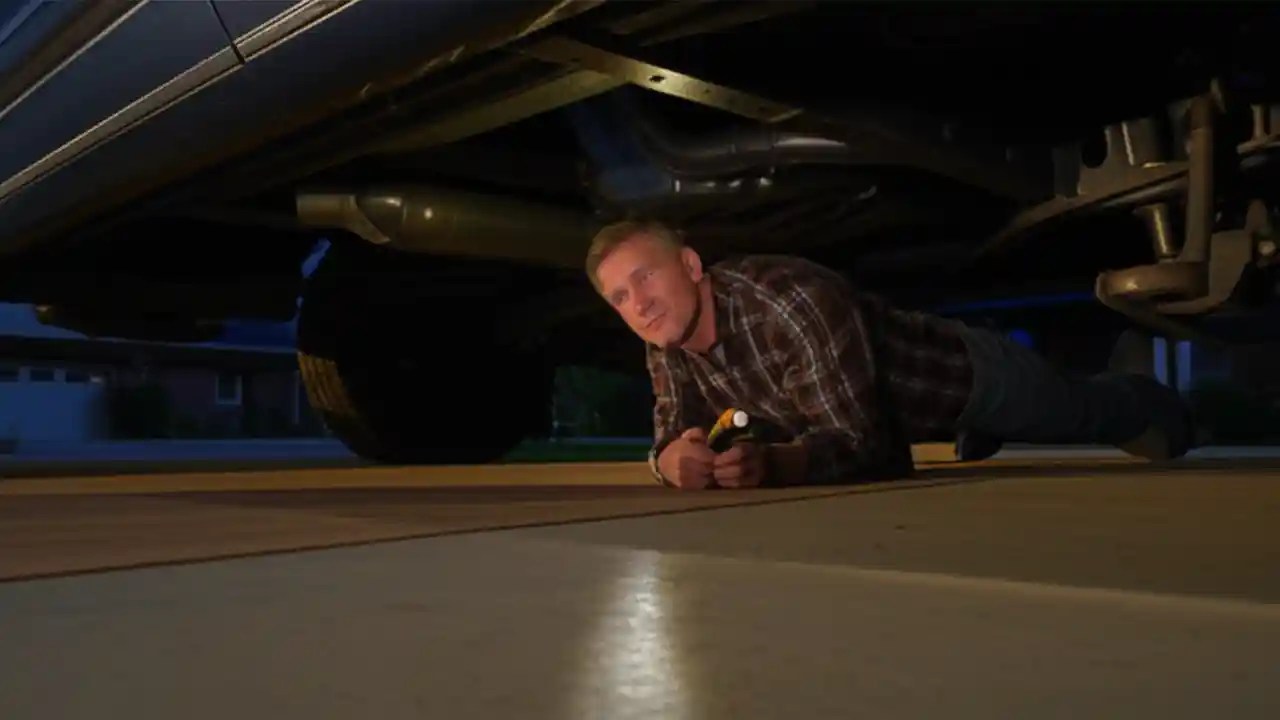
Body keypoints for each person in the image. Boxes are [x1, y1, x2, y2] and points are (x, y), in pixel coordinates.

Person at [586, 219, 1195, 490]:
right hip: (898, 413)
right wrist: (671, 462)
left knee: (1082, 413)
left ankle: (1145, 393)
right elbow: (669, 428)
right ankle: (983, 434)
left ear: (691, 266)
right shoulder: (664, 335)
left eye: (645, 277)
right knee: (993, 432)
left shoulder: (790, 301)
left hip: (959, 378)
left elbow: (870, 449)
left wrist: (770, 467)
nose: (637, 303)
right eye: (619, 296)